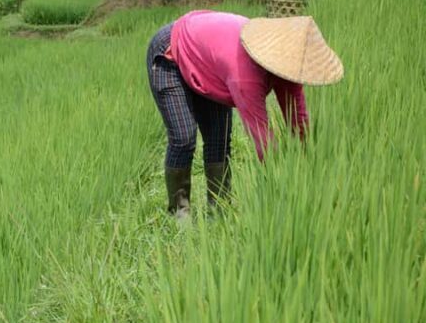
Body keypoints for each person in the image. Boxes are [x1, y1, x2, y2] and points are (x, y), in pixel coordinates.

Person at [146, 11, 344, 219]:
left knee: (219, 141)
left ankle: (219, 212)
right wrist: (289, 190)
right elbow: (262, 139)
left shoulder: (288, 67)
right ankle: (179, 213)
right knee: (184, 137)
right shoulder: (245, 75)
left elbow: (299, 121)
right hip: (172, 53)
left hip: (209, 61)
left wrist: (310, 165)